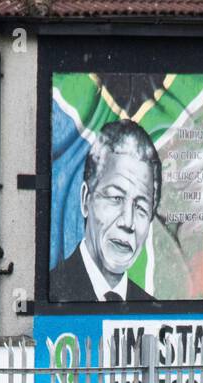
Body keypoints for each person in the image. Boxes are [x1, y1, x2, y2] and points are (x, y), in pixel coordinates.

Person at [50, 119, 161, 302]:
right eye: (116, 198)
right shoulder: (53, 294)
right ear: (86, 199)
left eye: (141, 207)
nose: (128, 222)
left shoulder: (151, 309)